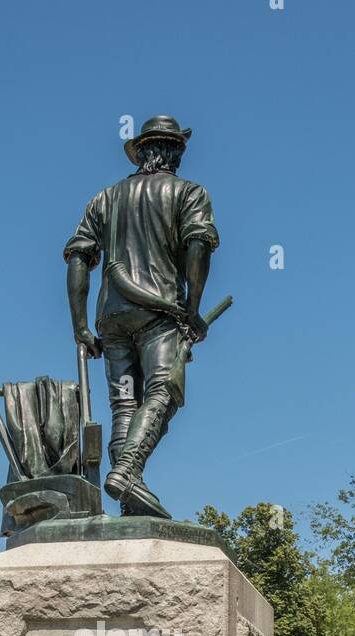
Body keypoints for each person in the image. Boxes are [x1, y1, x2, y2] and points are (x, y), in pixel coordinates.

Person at [64, 115, 220, 519]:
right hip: (159, 313)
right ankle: (128, 470)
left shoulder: (104, 198)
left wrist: (80, 326)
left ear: (142, 153)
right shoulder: (189, 193)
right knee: (163, 392)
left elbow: (78, 257)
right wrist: (193, 309)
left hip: (112, 318)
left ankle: (130, 494)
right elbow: (199, 246)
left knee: (124, 404)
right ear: (174, 152)